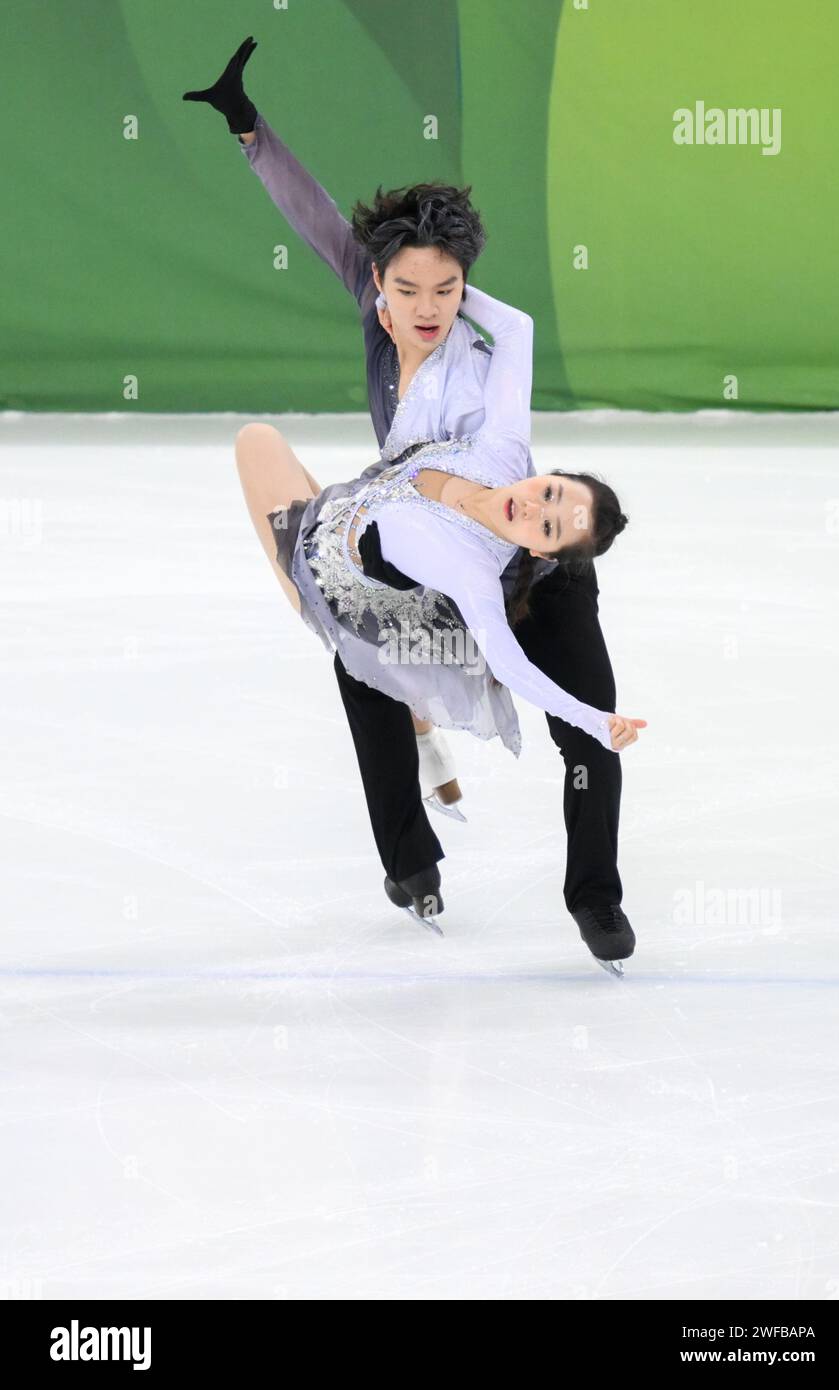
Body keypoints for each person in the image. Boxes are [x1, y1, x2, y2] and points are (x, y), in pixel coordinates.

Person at [183, 36, 646, 971]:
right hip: (429, 561)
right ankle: (410, 865)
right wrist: (247, 126)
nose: (428, 307)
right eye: (407, 289)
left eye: (447, 288)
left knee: (588, 717)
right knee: (360, 663)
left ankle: (594, 898)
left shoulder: (480, 354)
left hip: (528, 563)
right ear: (380, 288)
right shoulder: (376, 300)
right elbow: (317, 219)